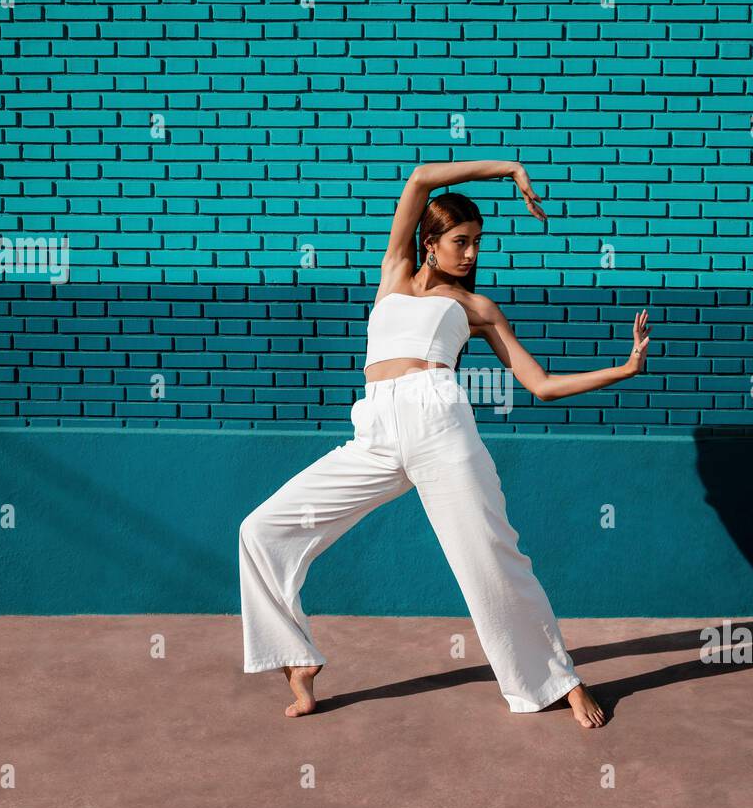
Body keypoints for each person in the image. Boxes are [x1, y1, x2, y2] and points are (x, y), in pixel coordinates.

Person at [238, 159, 650, 728]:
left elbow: (541, 385)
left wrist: (622, 370)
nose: (472, 254)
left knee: (491, 560)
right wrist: (510, 169)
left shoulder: (476, 308)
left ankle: (559, 680)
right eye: (461, 241)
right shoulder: (393, 275)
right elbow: (419, 179)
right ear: (429, 244)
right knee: (261, 529)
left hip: (440, 429)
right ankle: (296, 660)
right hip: (375, 433)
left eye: (478, 243)